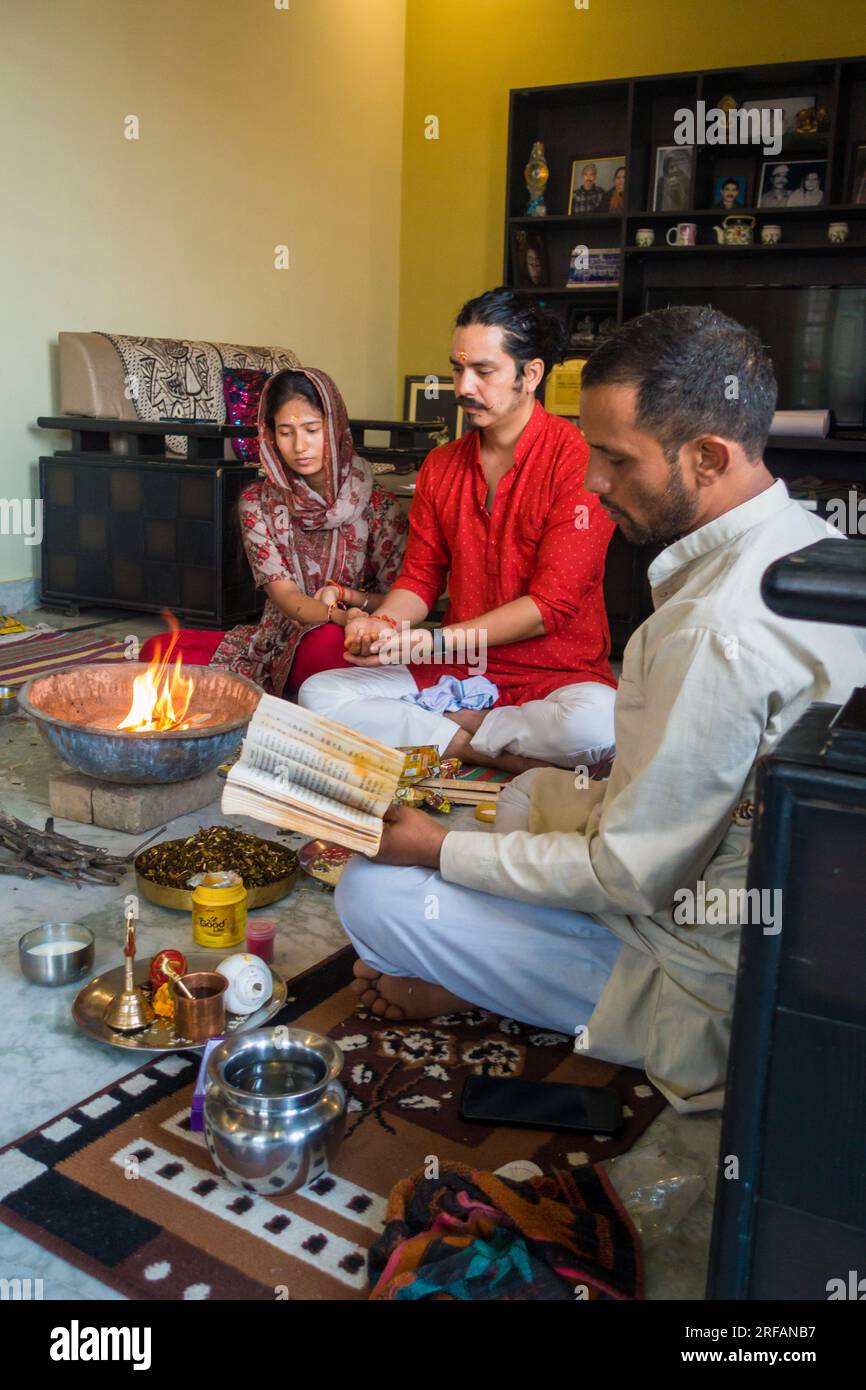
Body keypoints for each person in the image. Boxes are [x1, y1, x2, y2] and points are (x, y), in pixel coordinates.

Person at [333, 306, 866, 1114]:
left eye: (615, 460)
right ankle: (487, 964)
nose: (593, 483)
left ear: (708, 457)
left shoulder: (716, 633)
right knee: (525, 795)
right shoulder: (806, 544)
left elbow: (626, 876)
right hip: (750, 911)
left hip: (713, 980)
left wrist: (437, 847)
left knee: (375, 895)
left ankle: (526, 996)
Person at [299, 289, 617, 774]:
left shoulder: (576, 460)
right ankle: (483, 748)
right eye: (457, 369)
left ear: (530, 374)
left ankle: (448, 728)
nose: (463, 387)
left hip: (554, 676)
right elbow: (420, 580)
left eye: (483, 372)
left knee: (597, 725)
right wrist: (383, 626)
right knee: (320, 693)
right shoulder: (442, 466)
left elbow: (550, 607)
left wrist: (433, 643)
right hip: (460, 669)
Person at [140, 368, 408, 698]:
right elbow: (288, 599)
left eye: (312, 429)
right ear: (269, 435)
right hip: (277, 641)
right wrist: (337, 615)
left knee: (325, 647)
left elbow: (399, 600)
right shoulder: (257, 503)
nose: (300, 446)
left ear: (335, 428)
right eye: (286, 432)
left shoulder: (380, 505)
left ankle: (291, 694)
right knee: (158, 651)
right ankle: (301, 692)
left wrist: (350, 602)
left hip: (360, 638)